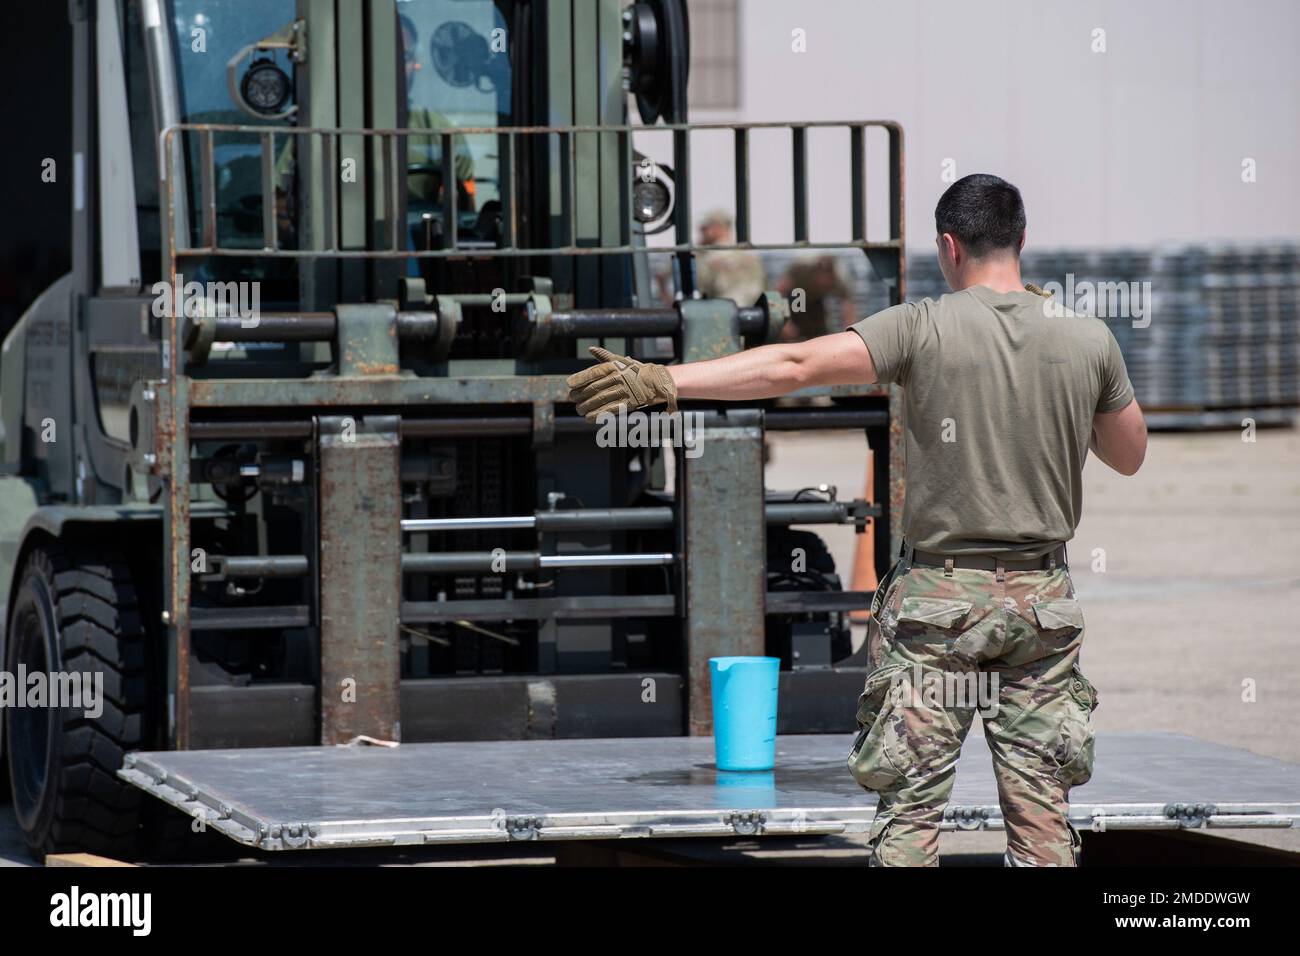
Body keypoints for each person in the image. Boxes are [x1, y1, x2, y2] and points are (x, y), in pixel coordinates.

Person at [566, 174, 1148, 867]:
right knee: (1043, 822)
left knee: (909, 816)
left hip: (939, 606)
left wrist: (665, 380)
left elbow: (794, 363)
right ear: (1022, 239)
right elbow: (1128, 454)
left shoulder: (921, 326)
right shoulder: (1086, 338)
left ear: (948, 246)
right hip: (1042, 609)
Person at [694, 210, 766, 307]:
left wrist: (698, 250)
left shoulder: (708, 259)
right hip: (752, 313)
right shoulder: (751, 256)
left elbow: (699, 292)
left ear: (718, 228)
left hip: (721, 313)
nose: (702, 231)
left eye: (705, 228)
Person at [776, 254, 856, 340]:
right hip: (796, 299)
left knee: (819, 336)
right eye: (822, 278)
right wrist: (784, 323)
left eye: (828, 282)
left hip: (817, 304)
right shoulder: (800, 269)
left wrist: (848, 335)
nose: (824, 283)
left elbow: (848, 306)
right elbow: (778, 294)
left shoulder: (840, 275)